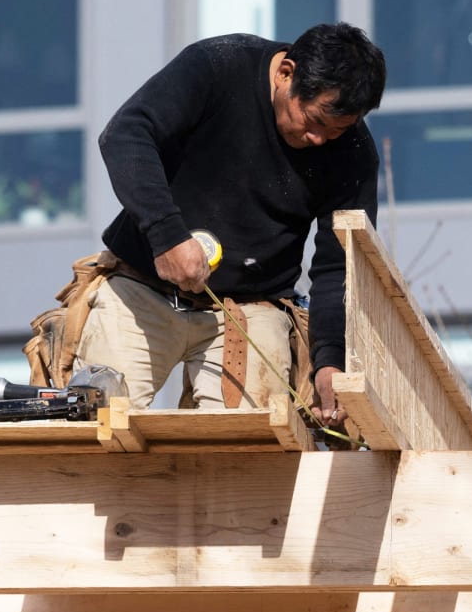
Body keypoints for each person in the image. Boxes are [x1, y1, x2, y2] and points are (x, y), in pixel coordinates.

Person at [74, 22, 386, 427]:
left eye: (336, 131)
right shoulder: (217, 65)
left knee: (248, 450)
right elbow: (126, 134)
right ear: (285, 73)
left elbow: (336, 268)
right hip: (141, 285)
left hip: (251, 310)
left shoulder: (354, 154)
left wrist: (329, 361)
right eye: (313, 120)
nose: (320, 140)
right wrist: (166, 236)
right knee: (93, 427)